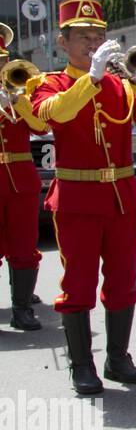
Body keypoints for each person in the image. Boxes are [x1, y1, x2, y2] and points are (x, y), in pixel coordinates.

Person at [31, 0, 136, 394]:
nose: (93, 43)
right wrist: (90, 77)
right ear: (63, 42)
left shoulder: (121, 83)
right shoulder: (53, 82)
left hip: (122, 195)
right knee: (79, 282)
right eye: (84, 37)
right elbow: (49, 116)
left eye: (99, 36)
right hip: (77, 196)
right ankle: (81, 364)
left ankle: (118, 358)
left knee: (123, 280)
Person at [0, 22, 46, 331]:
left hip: (19, 176)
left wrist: (18, 101)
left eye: (2, 61)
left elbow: (41, 128)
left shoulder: (19, 91)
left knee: (24, 244)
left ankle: (22, 307)